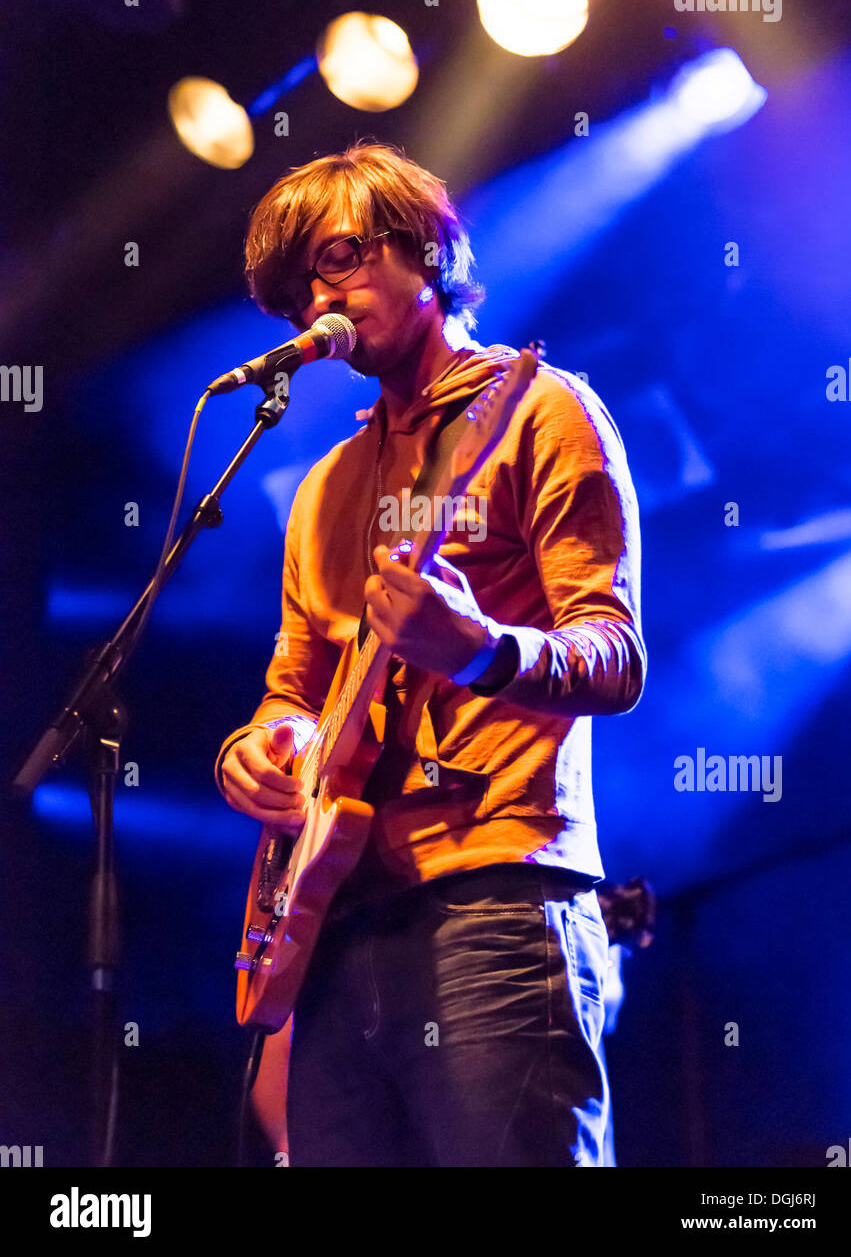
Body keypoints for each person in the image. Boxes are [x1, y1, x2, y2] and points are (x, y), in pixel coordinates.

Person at [215, 140, 646, 1166]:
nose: (317, 297)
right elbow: (295, 688)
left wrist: (482, 649)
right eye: (295, 288)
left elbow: (615, 654)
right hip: (332, 917)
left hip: (492, 894)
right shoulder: (323, 486)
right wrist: (263, 743)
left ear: (426, 249)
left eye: (339, 257)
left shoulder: (539, 409)